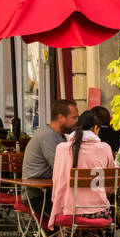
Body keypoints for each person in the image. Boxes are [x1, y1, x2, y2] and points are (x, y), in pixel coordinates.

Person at [49, 109, 115, 237]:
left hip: (70, 213)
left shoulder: (62, 148)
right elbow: (110, 185)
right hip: (99, 213)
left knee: (70, 214)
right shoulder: (105, 148)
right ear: (96, 129)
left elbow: (57, 181)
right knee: (89, 219)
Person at [21, 98, 79, 229]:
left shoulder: (59, 137)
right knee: (78, 213)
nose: (77, 121)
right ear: (61, 118)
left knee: (82, 209)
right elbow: (60, 169)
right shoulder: (48, 136)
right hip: (37, 194)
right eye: (74, 117)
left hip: (49, 191)